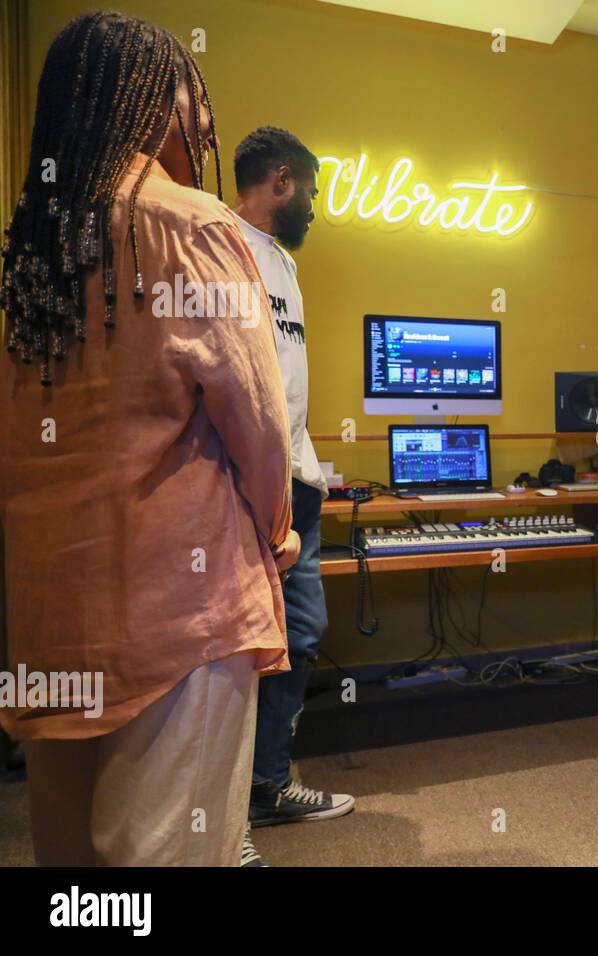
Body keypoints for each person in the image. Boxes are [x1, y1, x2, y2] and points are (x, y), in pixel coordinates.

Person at [0, 12, 297, 866]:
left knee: (72, 864)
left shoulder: (33, 245)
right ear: (157, 100)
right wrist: (277, 534)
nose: (203, 124)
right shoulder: (191, 224)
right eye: (194, 98)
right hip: (179, 610)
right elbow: (258, 421)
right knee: (164, 852)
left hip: (50, 614)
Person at [231, 128, 354, 864]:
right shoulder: (219, 243)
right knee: (238, 649)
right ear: (282, 180)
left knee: (299, 635)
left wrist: (310, 471)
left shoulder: (282, 261)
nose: (313, 206)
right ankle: (220, 819)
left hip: (298, 483)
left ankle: (268, 785)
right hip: (249, 486)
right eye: (309, 190)